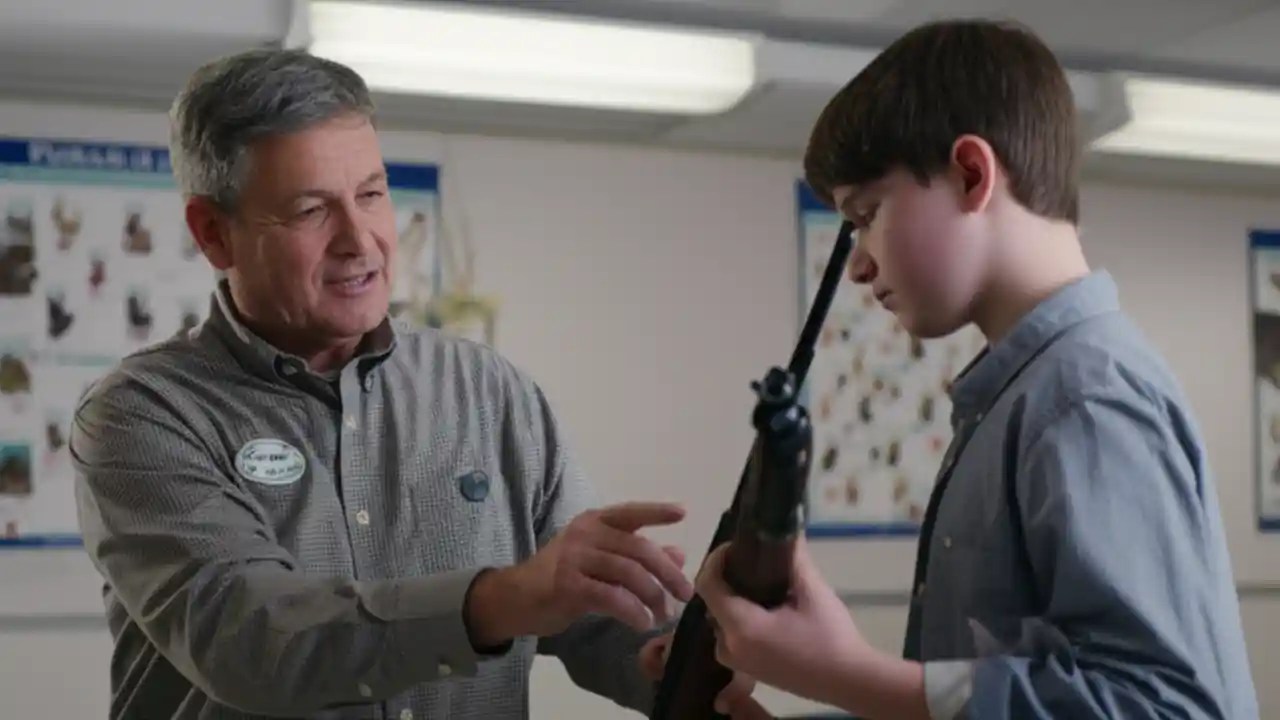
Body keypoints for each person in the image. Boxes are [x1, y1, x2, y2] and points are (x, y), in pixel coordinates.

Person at [69, 48, 753, 719]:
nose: (359, 240)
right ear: (214, 233)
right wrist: (499, 599)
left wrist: (671, 666)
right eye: (311, 211)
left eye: (371, 194)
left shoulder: (488, 391)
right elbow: (250, 637)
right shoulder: (141, 416)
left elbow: (585, 612)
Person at [695, 18, 1259, 720]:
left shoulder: (1083, 397)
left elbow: (1162, 709)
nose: (860, 264)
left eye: (866, 214)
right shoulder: (1014, 400)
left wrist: (843, 674)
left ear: (970, 174)